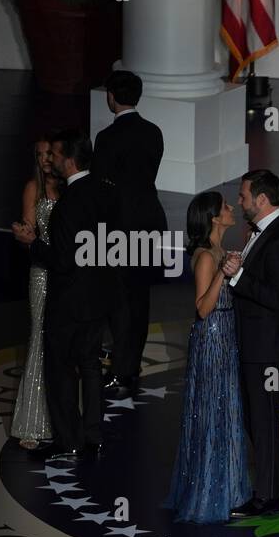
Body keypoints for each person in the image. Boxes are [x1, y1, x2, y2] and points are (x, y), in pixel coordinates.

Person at [163, 191, 251, 523]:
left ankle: (227, 490)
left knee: (225, 411)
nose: (232, 209)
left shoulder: (218, 251)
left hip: (225, 336)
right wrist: (221, 274)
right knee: (213, 413)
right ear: (214, 218)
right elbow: (202, 308)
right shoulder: (205, 258)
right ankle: (209, 494)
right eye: (226, 207)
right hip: (212, 339)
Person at [222, 170, 279, 517]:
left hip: (266, 347)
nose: (239, 201)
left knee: (264, 420)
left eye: (243, 196)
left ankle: (268, 497)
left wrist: (237, 277)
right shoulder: (263, 232)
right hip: (255, 342)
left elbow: (276, 296)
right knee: (259, 418)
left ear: (261, 199)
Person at [40, 129, 121, 462]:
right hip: (100, 297)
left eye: (57, 155)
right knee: (90, 366)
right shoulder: (107, 193)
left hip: (69, 302)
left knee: (59, 369)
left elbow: (61, 260)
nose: (53, 159)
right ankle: (93, 435)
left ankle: (68, 440)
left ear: (69, 161)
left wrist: (32, 246)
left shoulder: (68, 205)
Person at [93, 70, 166, 401]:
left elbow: (102, 187)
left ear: (111, 96)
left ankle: (120, 370)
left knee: (119, 301)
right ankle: (130, 366)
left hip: (119, 228)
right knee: (140, 299)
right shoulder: (154, 132)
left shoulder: (106, 139)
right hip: (149, 221)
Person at [9, 136, 61, 449]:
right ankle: (32, 422)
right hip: (42, 274)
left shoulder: (71, 186)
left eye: (49, 152)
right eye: (40, 154)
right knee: (40, 338)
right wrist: (25, 235)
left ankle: (61, 417)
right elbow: (28, 232)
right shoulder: (34, 188)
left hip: (69, 274)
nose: (45, 159)